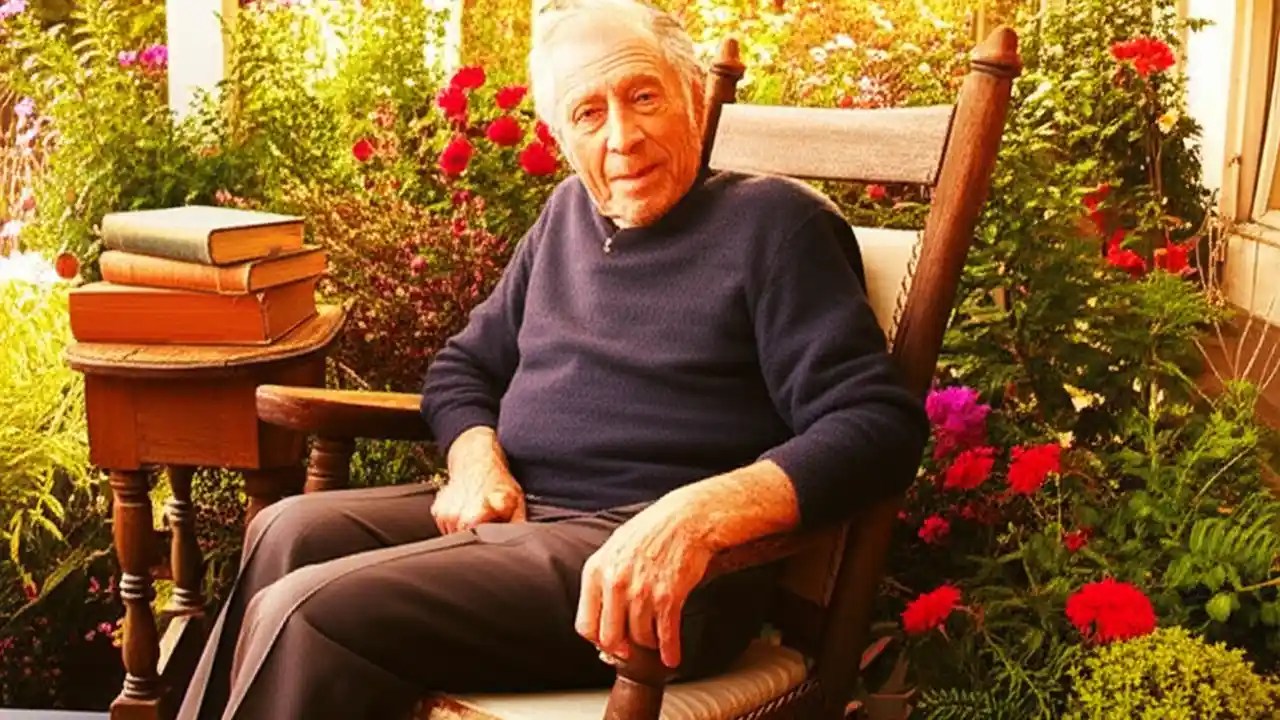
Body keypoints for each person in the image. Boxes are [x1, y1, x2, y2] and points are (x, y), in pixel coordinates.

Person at [176, 1, 928, 718]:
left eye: (644, 97)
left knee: (312, 613)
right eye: (589, 114)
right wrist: (476, 460)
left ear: (695, 98)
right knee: (287, 533)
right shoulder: (568, 214)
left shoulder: (776, 227)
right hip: (524, 523)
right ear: (560, 136)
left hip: (645, 574)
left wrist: (695, 517)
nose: (622, 138)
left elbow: (874, 425)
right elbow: (464, 368)